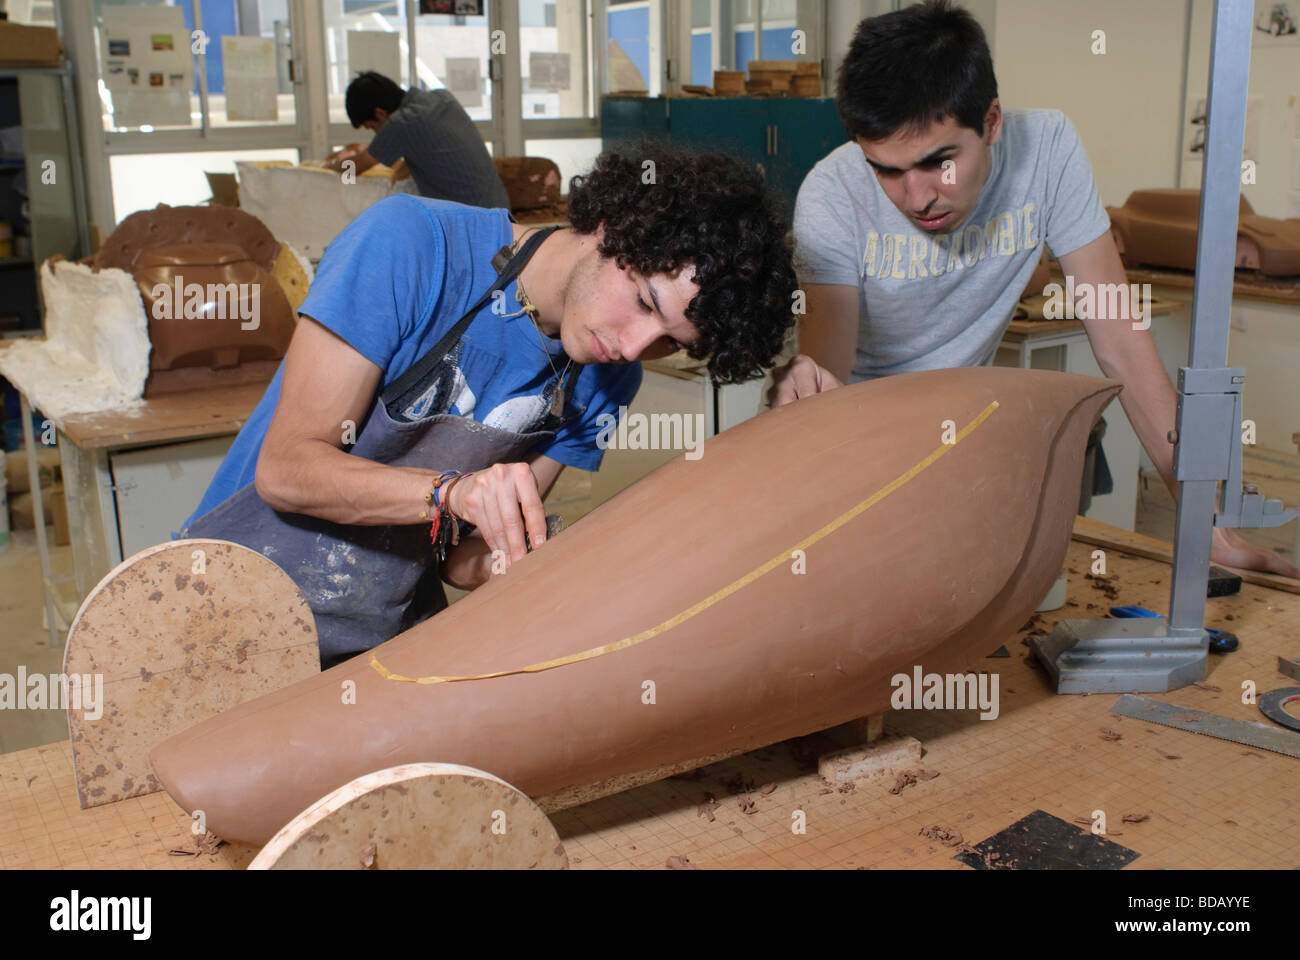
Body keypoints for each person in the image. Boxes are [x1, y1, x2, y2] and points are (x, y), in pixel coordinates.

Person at [180, 143, 797, 668]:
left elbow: (462, 561)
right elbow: (287, 470)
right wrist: (453, 493)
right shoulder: (412, 244)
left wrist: (556, 561)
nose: (633, 347)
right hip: (227, 615)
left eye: (670, 343)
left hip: (379, 643)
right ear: (613, 227)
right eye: (643, 302)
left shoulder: (610, 379)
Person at [770, 0, 1298, 579]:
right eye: (887, 170)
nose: (915, 196)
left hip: (961, 434)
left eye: (938, 162)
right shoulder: (832, 193)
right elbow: (829, 384)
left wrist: (1208, 520)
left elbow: (1119, 336)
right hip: (862, 449)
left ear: (991, 121)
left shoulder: (1048, 150)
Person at [325, 70, 509, 210]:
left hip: (473, 219)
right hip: (499, 207)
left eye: (371, 127)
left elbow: (355, 168)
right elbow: (428, 158)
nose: (376, 134)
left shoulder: (402, 122)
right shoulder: (441, 98)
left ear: (380, 113)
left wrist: (329, 167)